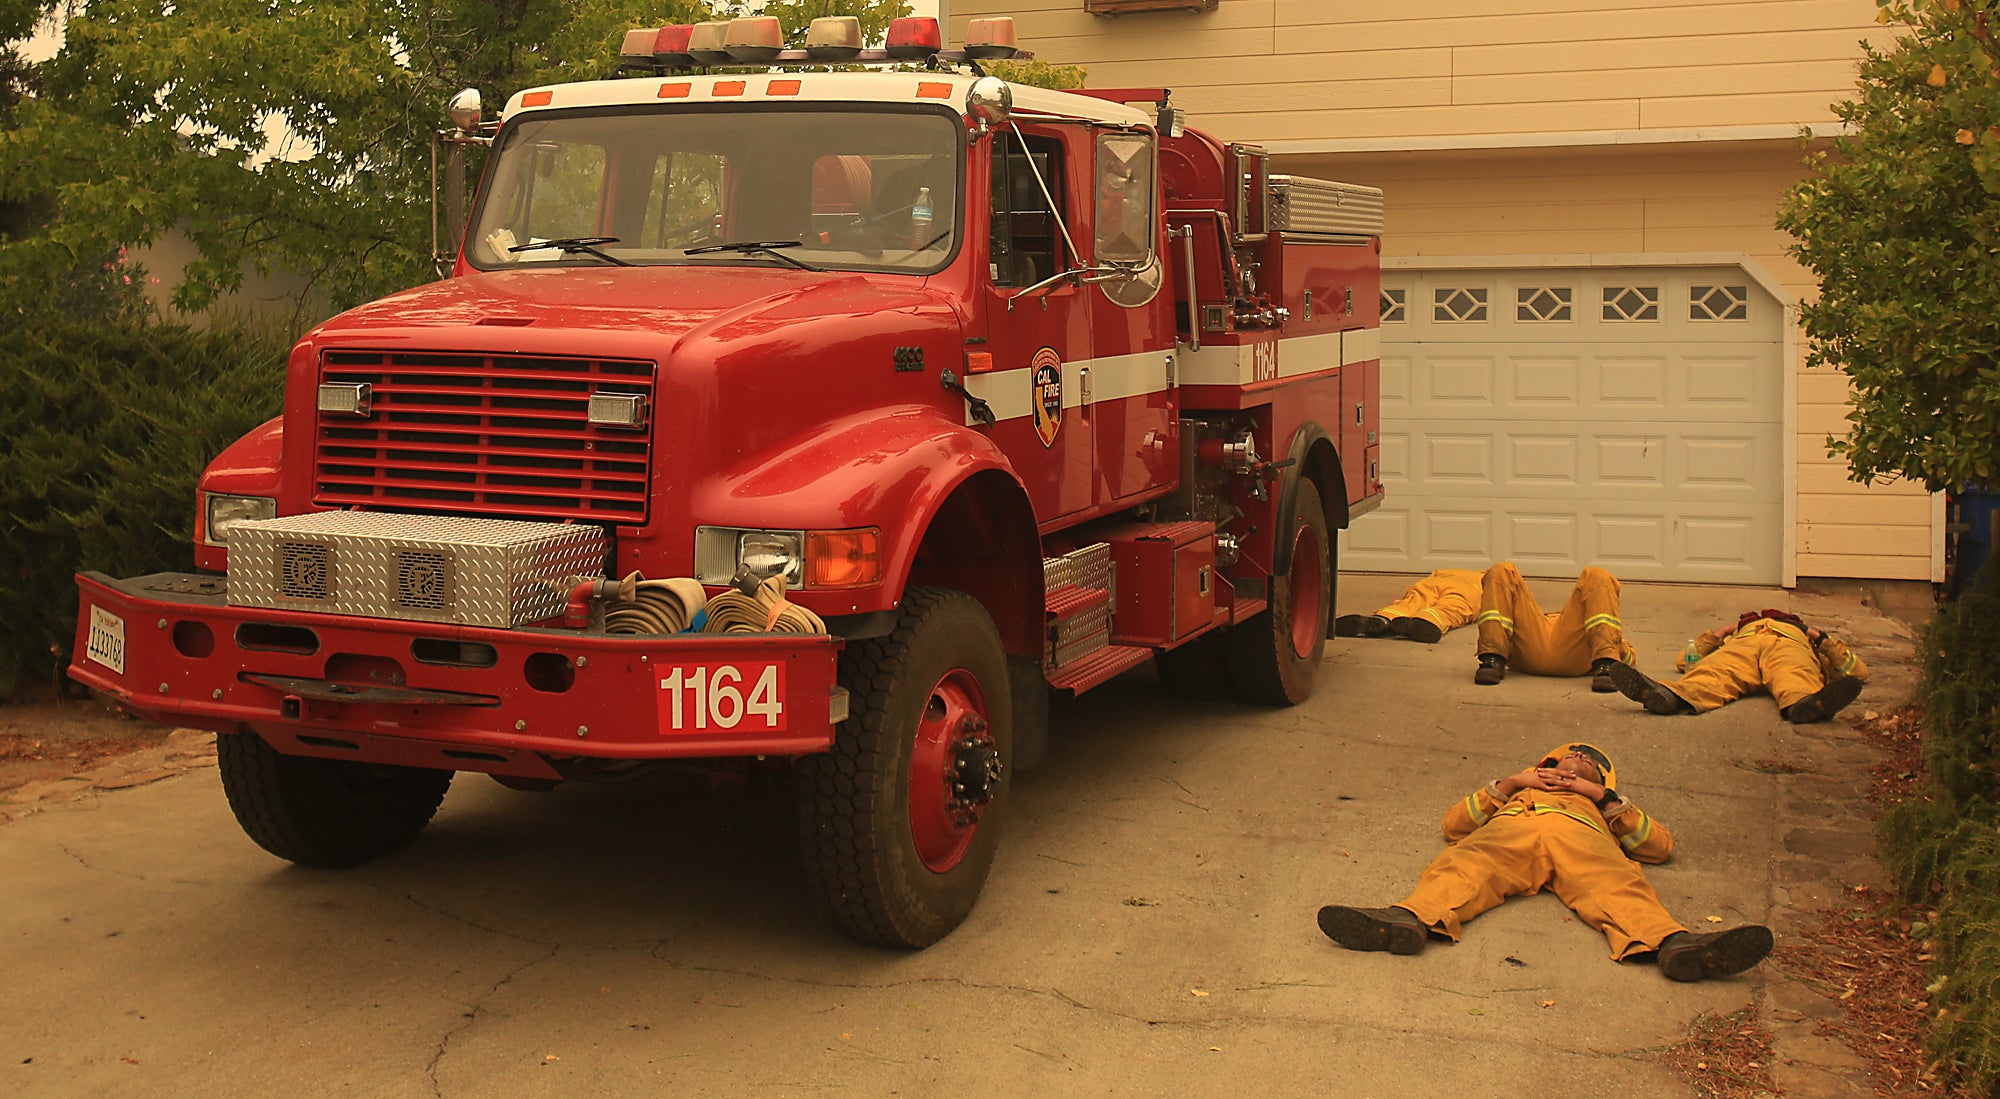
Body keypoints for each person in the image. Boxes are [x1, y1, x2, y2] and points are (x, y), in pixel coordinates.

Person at [1316, 741, 1773, 982]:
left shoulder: (1603, 804)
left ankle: (1675, 947)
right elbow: (1456, 825)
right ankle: (1407, 922)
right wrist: (1511, 783)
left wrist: (1601, 798)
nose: (1575, 760)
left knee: (1617, 887)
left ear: (1603, 778)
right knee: (1463, 865)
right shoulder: (1520, 789)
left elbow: (1658, 847)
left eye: (1588, 763)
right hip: (1512, 833)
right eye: (1566, 756)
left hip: (1583, 841)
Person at [1605, 608, 1868, 724]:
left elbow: (1856, 672)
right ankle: (1670, 697)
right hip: (1741, 648)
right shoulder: (1737, 635)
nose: (1769, 617)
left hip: (1788, 647)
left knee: (1794, 674)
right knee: (1714, 673)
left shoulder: (1805, 638)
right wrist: (1727, 631)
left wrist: (1818, 637)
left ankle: (1806, 705)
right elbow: (1685, 659)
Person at [1471, 563, 1635, 691]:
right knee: (1597, 576)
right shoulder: (1591, 626)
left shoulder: (1536, 623)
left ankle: (1491, 660)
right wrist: (1615, 656)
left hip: (1528, 654)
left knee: (1502, 571)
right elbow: (1625, 652)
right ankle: (1606, 665)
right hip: (1574, 658)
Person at [1333, 568, 1483, 643]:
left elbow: (1433, 575)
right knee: (1451, 608)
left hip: (1435, 582)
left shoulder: (1450, 571)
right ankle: (1427, 621)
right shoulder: (1492, 580)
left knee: (1411, 602)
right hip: (1472, 591)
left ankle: (1384, 618)